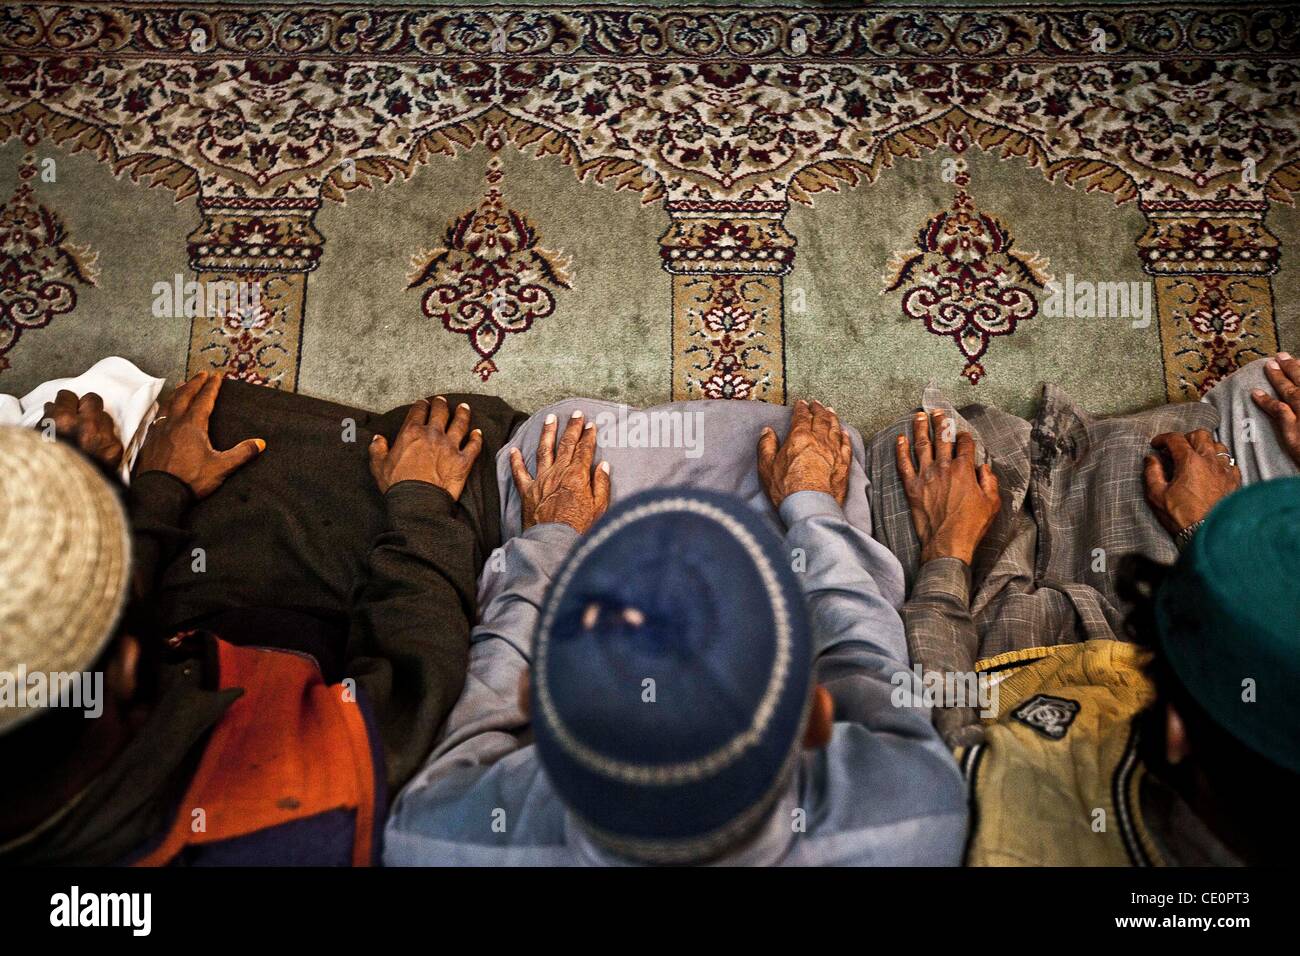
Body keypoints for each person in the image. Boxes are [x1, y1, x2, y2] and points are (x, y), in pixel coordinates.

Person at [384, 401, 967, 865]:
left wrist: (552, 539)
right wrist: (811, 506)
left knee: (548, 434)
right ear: (816, 714)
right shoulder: (919, 814)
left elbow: (475, 726)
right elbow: (861, 657)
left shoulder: (435, 842)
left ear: (534, 701)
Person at [0, 373, 494, 865]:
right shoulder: (295, 809)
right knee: (477, 447)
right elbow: (414, 681)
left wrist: (159, 490)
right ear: (130, 667)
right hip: (331, 685)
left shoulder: (51, 761)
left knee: (219, 423)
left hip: (210, 642)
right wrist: (420, 506)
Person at [888, 362, 1300, 864]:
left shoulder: (1008, 839)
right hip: (1135, 645)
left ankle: (1051, 481)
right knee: (1238, 404)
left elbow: (941, 718)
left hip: (988, 668)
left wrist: (947, 549)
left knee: (918, 445)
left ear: (1176, 728)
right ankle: (1071, 473)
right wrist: (1206, 535)